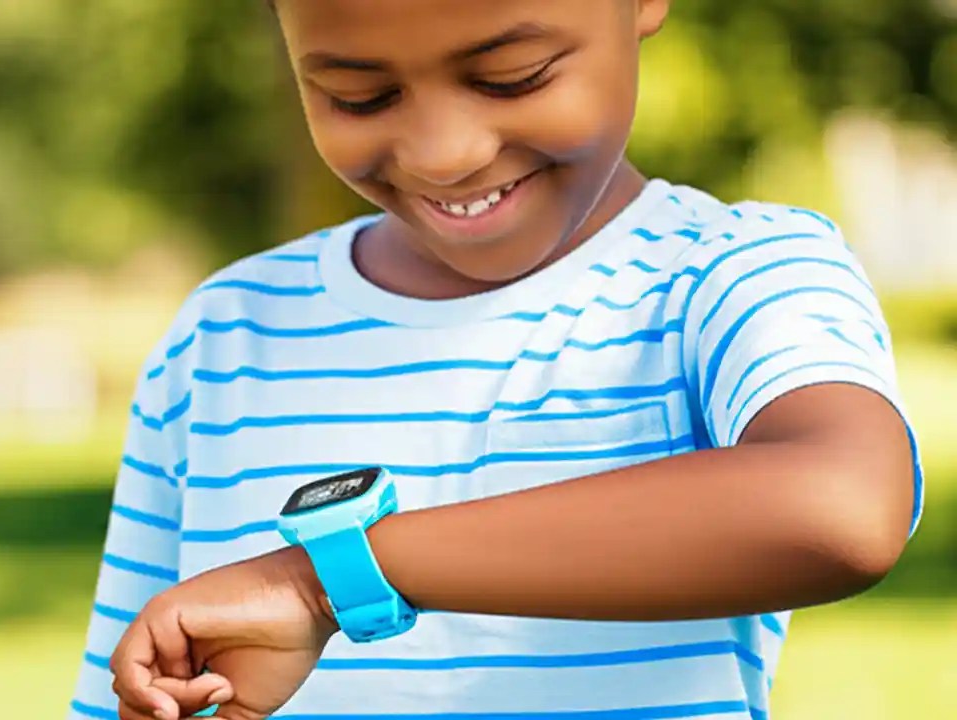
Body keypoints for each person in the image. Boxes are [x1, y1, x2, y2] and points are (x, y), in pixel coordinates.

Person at [68, 1, 924, 719]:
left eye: (513, 77)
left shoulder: (730, 277)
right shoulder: (223, 335)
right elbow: (134, 682)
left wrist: (328, 581)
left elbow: (841, 506)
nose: (446, 151)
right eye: (359, 95)